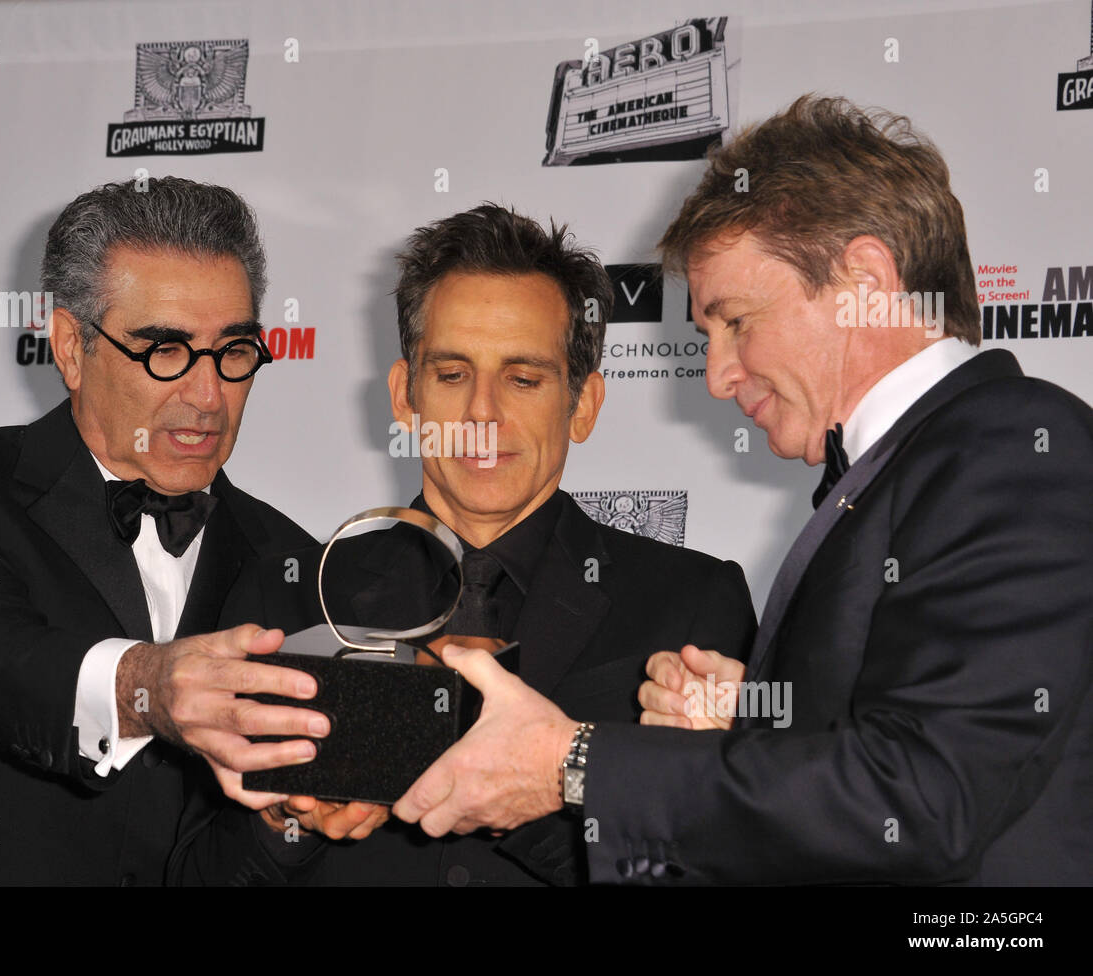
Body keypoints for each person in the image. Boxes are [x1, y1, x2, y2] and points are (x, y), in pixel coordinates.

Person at [392, 96, 1093, 884]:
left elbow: (924, 801)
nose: (719, 377)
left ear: (864, 278)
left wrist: (576, 761)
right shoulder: (917, 467)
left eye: (734, 321)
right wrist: (757, 716)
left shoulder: (1010, 448)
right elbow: (896, 754)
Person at [176, 203, 757, 885]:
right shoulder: (287, 594)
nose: (482, 413)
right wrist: (285, 821)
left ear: (584, 405)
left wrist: (538, 792)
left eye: (523, 378)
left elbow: (725, 865)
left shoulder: (691, 605)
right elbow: (195, 874)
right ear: (404, 396)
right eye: (451, 374)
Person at [0, 177, 332, 885]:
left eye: (233, 351)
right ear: (69, 347)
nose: (208, 396)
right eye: (166, 351)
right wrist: (150, 686)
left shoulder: (298, 568)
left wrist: (286, 819)